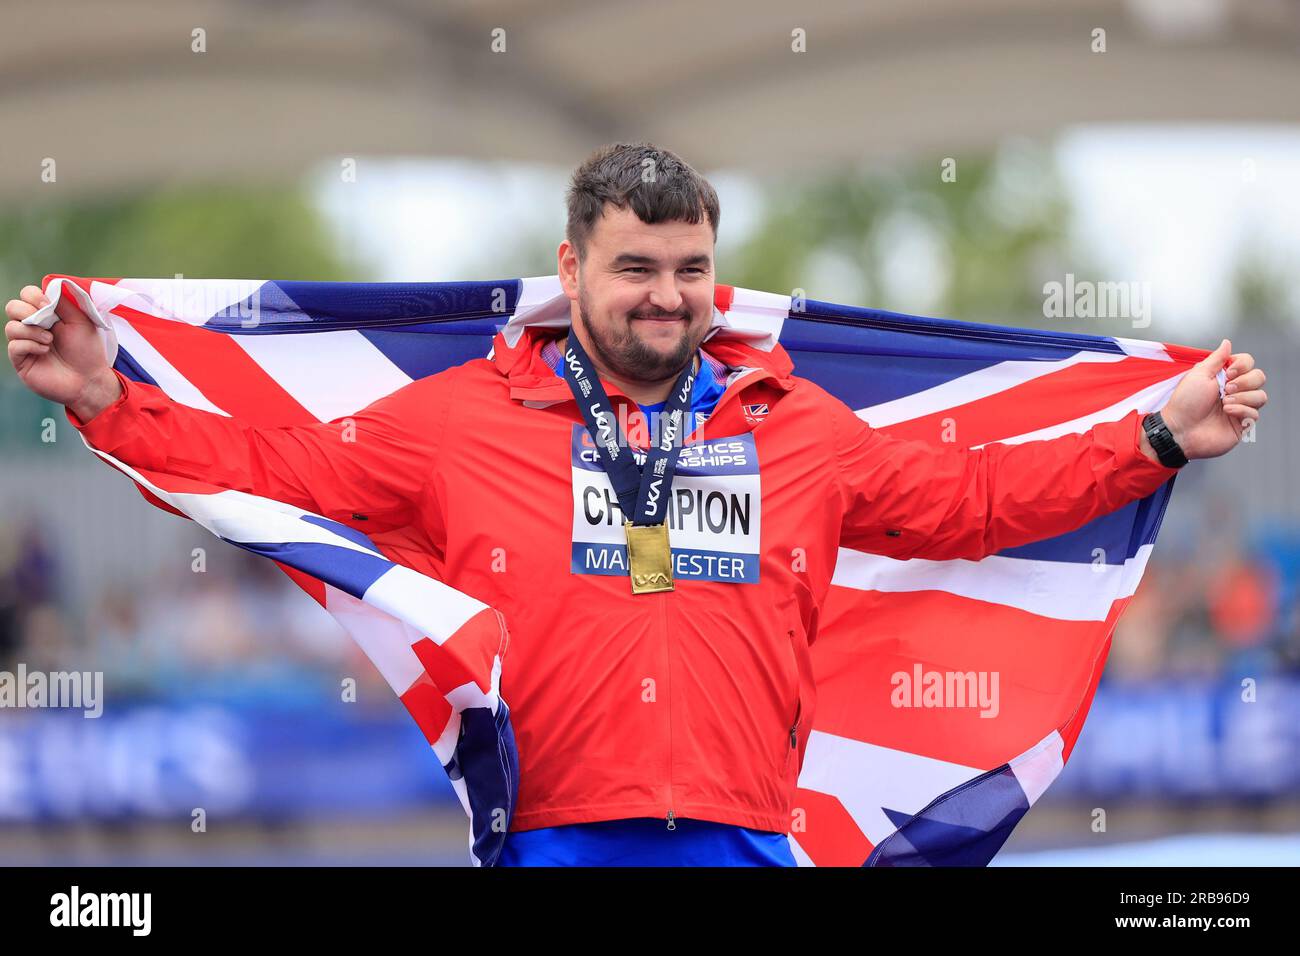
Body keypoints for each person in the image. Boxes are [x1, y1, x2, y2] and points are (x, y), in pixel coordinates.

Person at [4, 142, 1269, 866]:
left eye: (690, 270)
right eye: (635, 269)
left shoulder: (800, 429)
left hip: (745, 841)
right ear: (571, 269)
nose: (667, 295)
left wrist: (1154, 434)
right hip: (553, 843)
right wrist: (108, 391)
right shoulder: (458, 422)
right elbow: (275, 466)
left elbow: (978, 497)